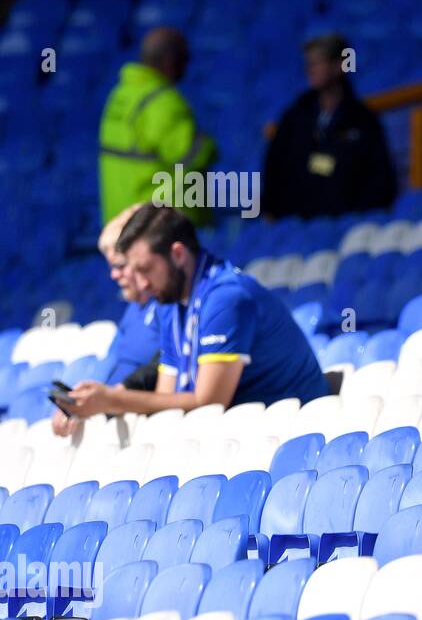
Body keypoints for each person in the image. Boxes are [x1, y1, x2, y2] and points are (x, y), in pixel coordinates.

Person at [65, 204, 329, 421]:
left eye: (145, 269)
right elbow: (165, 398)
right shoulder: (170, 301)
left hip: (296, 428)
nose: (142, 284)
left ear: (178, 254)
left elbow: (209, 403)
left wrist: (113, 400)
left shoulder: (226, 298)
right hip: (247, 431)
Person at [51, 203, 162, 438]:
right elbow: (115, 368)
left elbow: (158, 373)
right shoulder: (132, 311)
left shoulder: (169, 307)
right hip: (115, 420)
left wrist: (108, 400)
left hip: (143, 426)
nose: (113, 275)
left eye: (120, 266)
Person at [262, 33, 398, 219]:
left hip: (348, 226)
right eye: (308, 64)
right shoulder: (295, 117)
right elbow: (275, 171)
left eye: (317, 63)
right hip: (297, 227)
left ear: (338, 65)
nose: (310, 70)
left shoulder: (363, 121)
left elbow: (380, 182)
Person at [99, 27, 216, 226]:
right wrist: (208, 146)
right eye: (185, 58)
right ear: (171, 60)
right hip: (160, 225)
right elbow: (191, 154)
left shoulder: (121, 95)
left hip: (123, 222)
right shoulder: (163, 101)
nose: (187, 66)